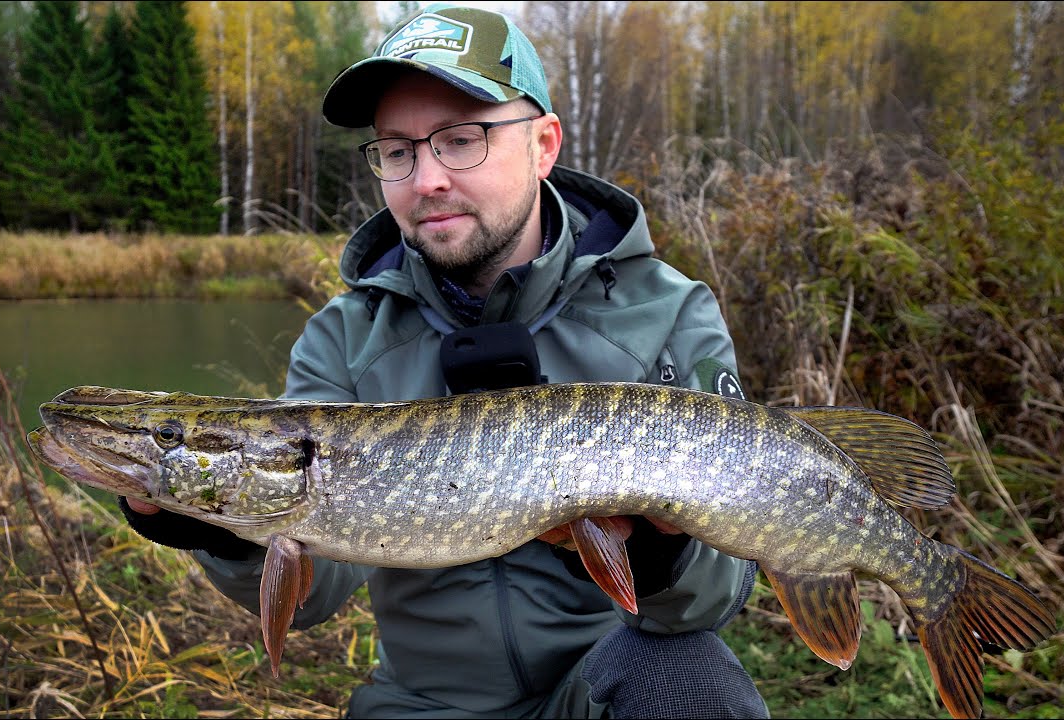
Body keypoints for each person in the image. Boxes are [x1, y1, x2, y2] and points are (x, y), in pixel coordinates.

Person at [121, 4, 768, 718]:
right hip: (421, 705)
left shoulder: (665, 311)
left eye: (461, 140)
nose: (425, 178)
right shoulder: (344, 338)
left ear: (544, 144)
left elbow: (721, 590)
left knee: (688, 672)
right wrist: (215, 524)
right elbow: (310, 591)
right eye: (398, 150)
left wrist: (656, 557)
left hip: (604, 685)